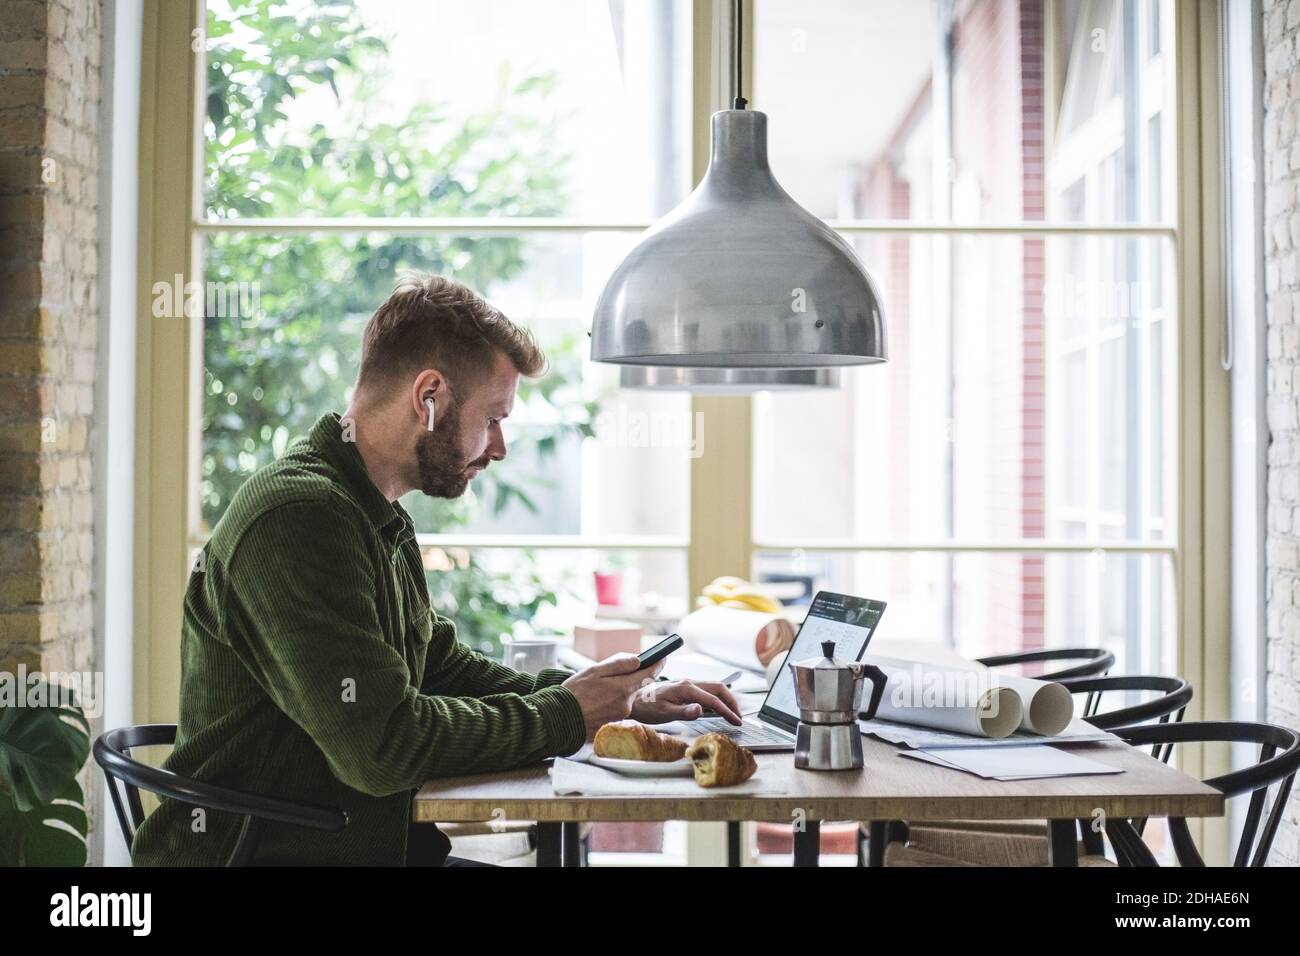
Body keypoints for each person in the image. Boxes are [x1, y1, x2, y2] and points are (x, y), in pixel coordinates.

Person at [130, 273, 741, 866]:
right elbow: (383, 747)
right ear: (429, 397)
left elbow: (438, 665)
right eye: (494, 418)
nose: (499, 446)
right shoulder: (302, 519)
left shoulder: (371, 511)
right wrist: (567, 714)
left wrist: (621, 698)